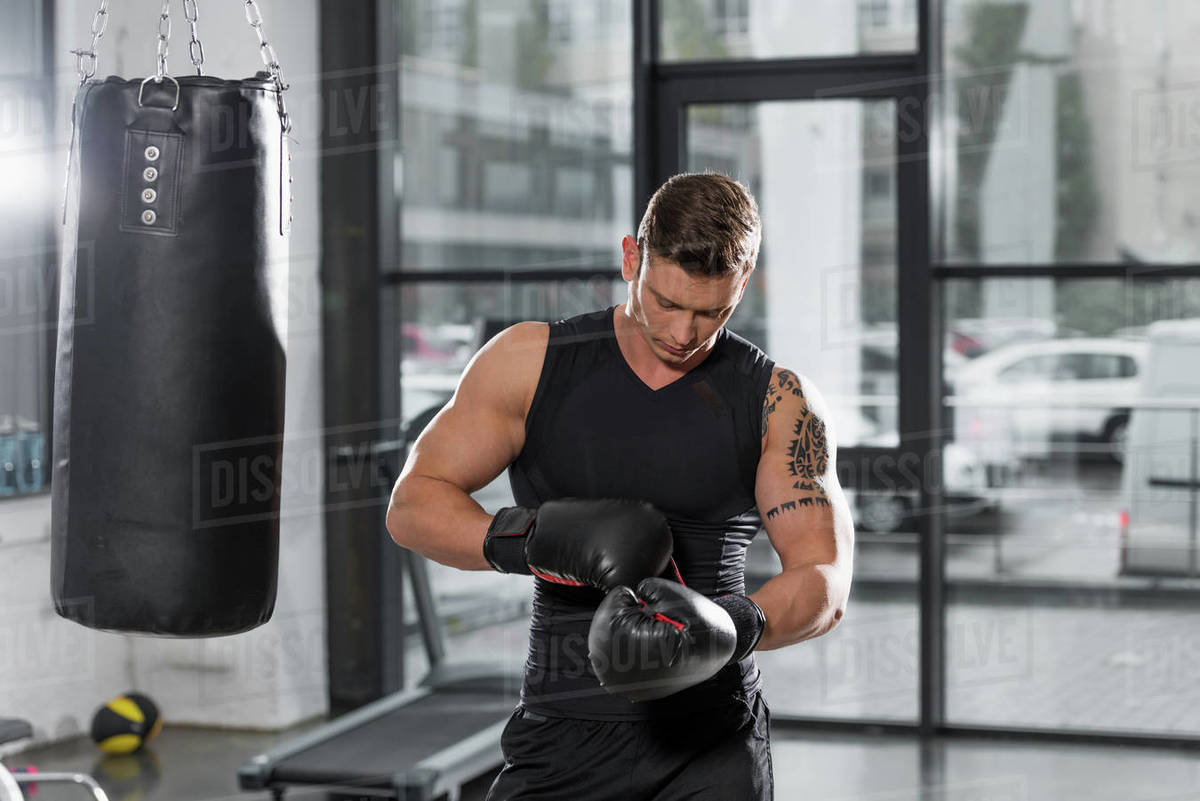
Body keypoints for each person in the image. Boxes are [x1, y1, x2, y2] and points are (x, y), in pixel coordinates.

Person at [386, 172, 855, 800]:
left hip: (711, 744)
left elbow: (825, 577)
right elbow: (413, 504)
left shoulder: (778, 400)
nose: (684, 334)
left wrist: (730, 627)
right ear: (632, 257)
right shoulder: (531, 361)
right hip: (562, 732)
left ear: (742, 286)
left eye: (711, 311)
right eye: (666, 302)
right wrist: (530, 538)